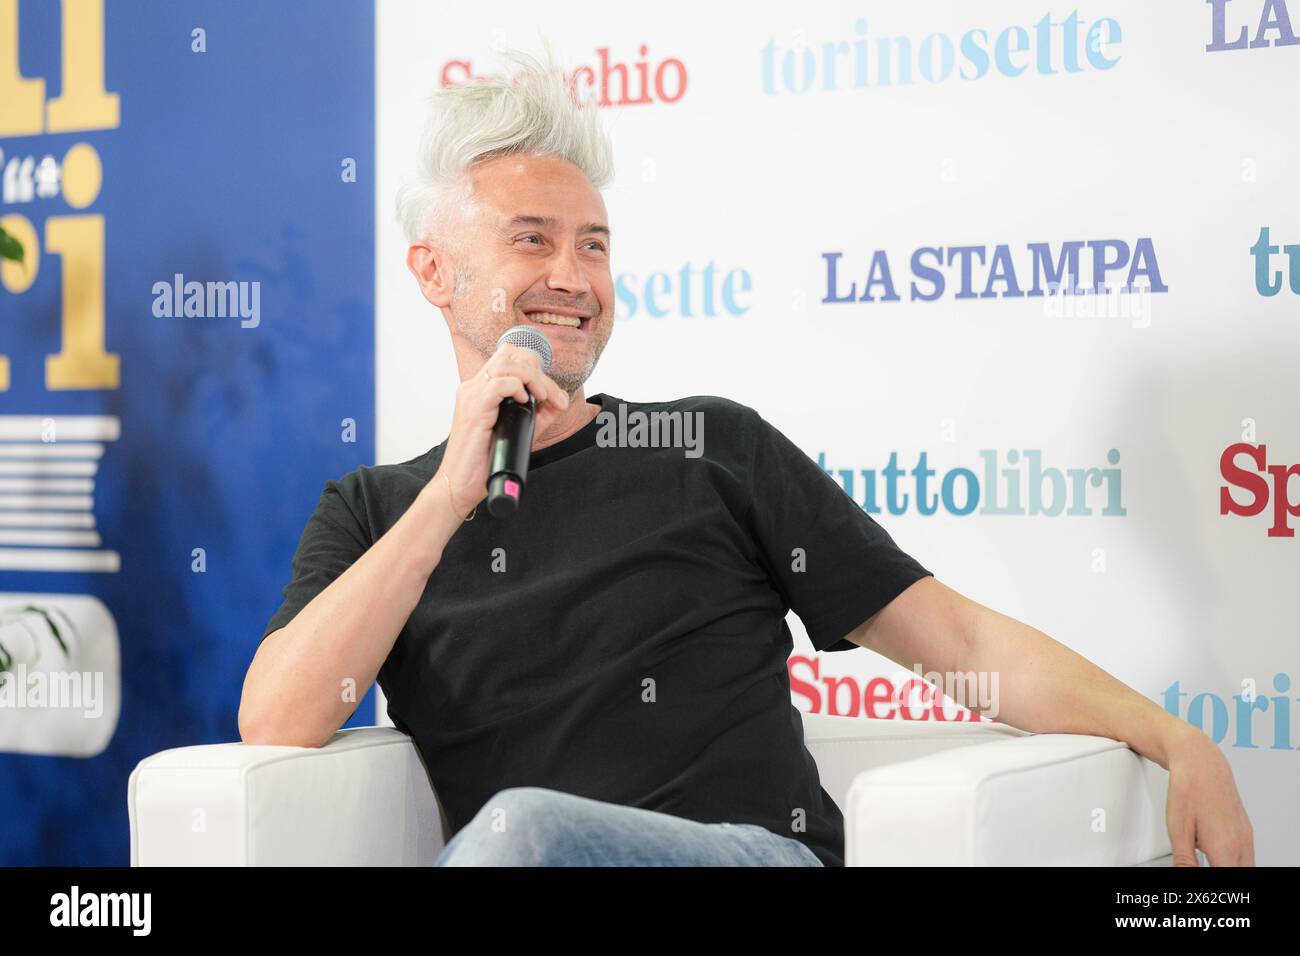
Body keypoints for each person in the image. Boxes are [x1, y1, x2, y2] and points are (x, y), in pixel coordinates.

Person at [238, 48, 1254, 867]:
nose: (572, 276)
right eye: (532, 240)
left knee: (520, 832)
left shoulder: (708, 447)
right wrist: (450, 499)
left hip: (750, 856)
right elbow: (278, 719)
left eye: (593, 244)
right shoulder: (376, 509)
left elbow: (948, 633)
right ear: (433, 270)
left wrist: (1169, 734)